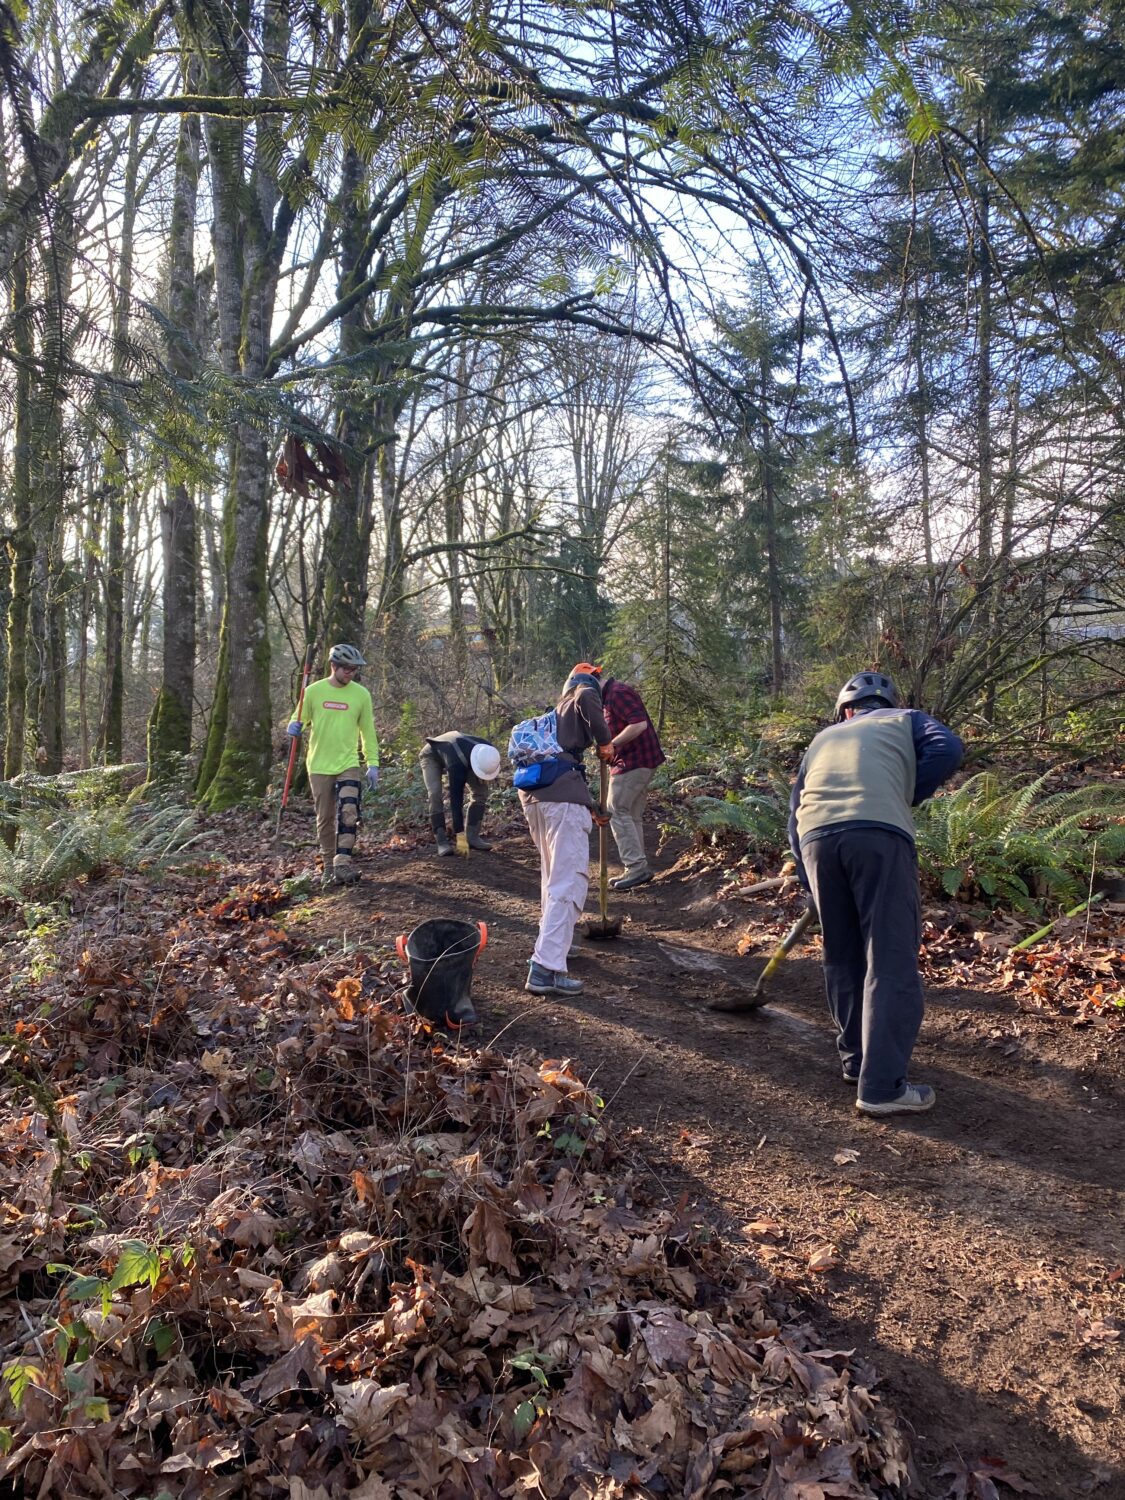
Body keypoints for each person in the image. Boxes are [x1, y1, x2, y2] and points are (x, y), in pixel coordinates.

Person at [789, 671, 963, 1117]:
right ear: (883, 703)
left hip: (816, 841)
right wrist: (906, 790)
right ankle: (883, 1087)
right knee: (888, 955)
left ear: (846, 710)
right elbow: (948, 747)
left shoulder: (822, 740)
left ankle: (857, 1061)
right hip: (879, 835)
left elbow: (794, 814)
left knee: (842, 953)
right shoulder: (906, 718)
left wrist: (811, 880)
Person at [519, 662, 613, 998]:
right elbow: (589, 697)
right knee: (569, 881)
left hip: (538, 800)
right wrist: (605, 741)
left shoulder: (556, 718)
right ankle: (545, 968)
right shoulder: (584, 693)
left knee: (551, 878)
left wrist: (588, 807)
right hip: (561, 803)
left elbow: (566, 770)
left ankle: (557, 945)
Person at [286, 643, 380, 886]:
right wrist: (293, 727)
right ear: (333, 666)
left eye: (354, 670)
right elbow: (300, 720)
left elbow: (368, 732)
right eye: (346, 669)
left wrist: (373, 763)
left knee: (349, 812)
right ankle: (329, 868)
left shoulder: (361, 695)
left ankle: (343, 864)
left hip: (348, 762)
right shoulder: (313, 692)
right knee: (325, 818)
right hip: (318, 764)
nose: (350, 673)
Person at [600, 674, 666, 890]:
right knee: (630, 814)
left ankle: (636, 867)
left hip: (635, 761)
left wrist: (612, 745)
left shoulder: (617, 693)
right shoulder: (607, 697)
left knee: (616, 809)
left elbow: (638, 724)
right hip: (635, 760)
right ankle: (637, 866)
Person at [419, 732, 502, 856]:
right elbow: (456, 800)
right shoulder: (456, 764)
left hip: (463, 753)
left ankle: (472, 837)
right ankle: (442, 842)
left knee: (481, 792)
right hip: (431, 754)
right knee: (434, 794)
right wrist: (460, 836)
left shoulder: (488, 750)